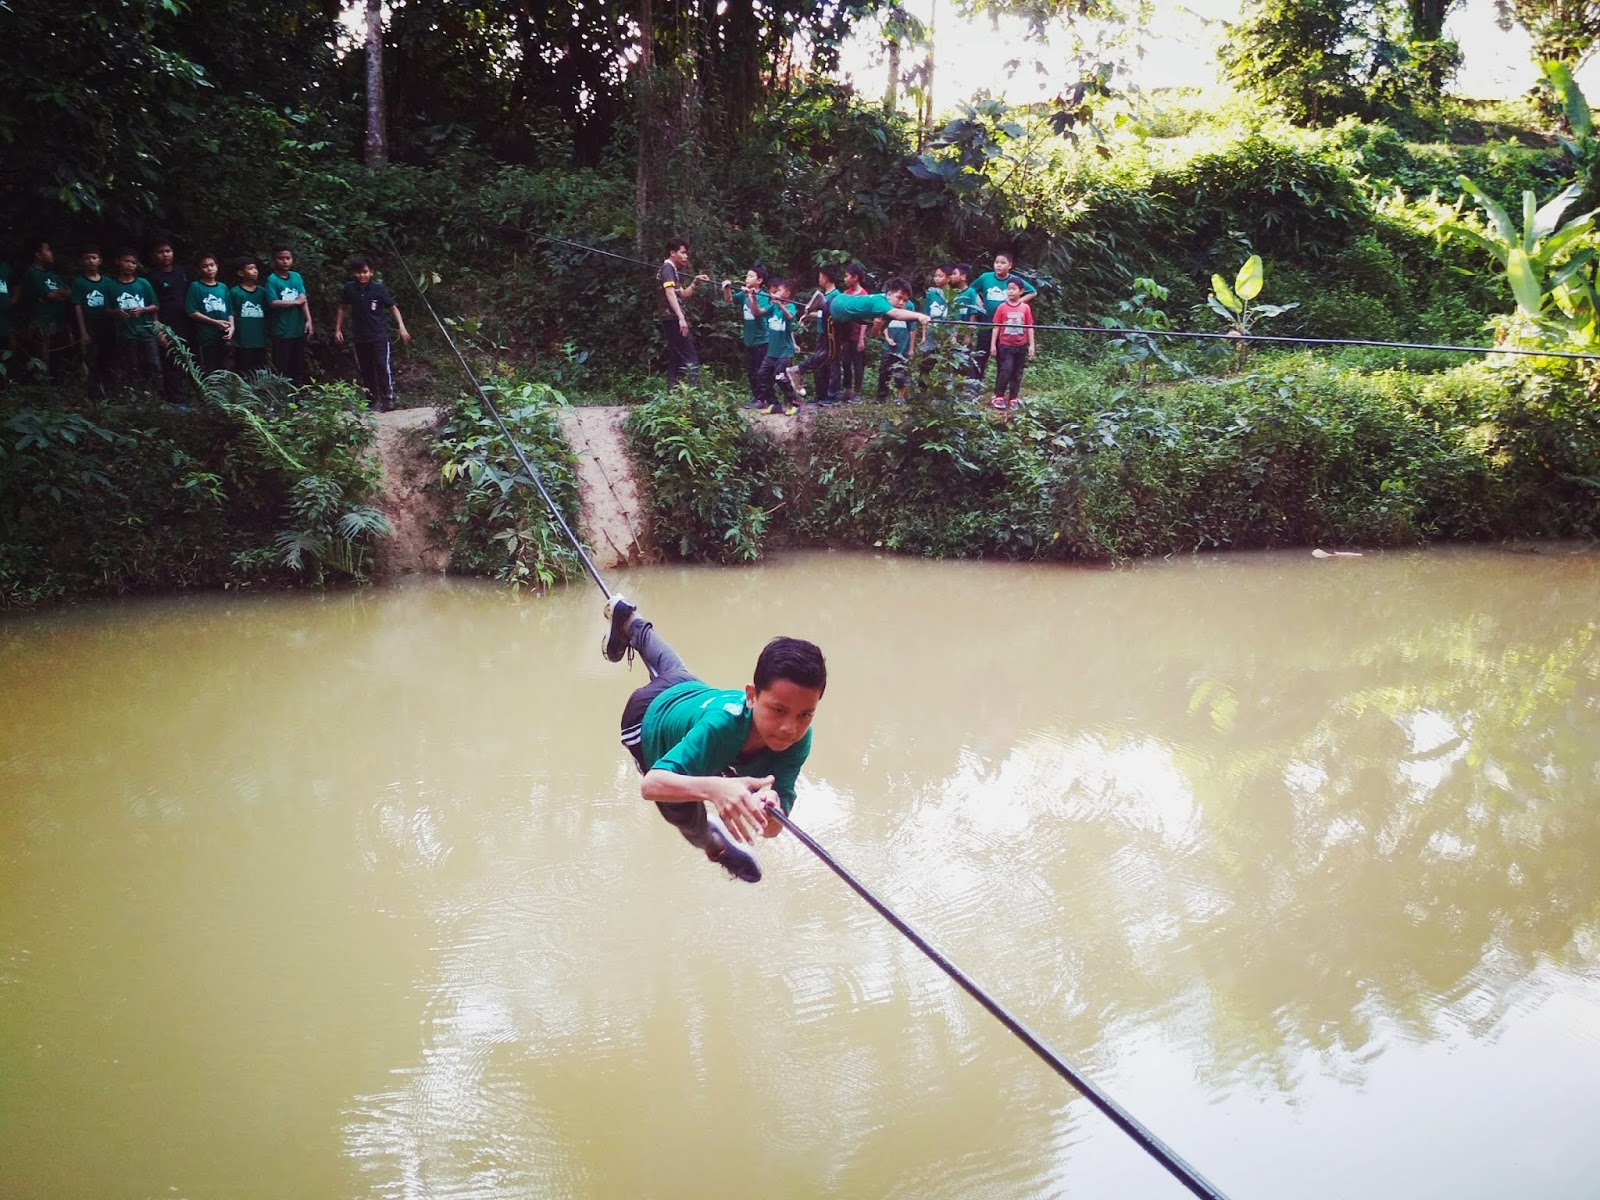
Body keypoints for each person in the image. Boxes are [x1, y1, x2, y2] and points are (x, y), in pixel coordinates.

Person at [602, 594, 827, 885]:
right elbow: (652, 785)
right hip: (646, 721)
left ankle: (631, 622)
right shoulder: (722, 728)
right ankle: (715, 847)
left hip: (689, 689)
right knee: (687, 818)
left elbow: (773, 830)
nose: (789, 728)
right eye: (779, 710)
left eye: (805, 715)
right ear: (751, 696)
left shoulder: (799, 740)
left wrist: (771, 808)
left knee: (669, 665)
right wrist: (714, 789)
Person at [335, 256, 411, 411]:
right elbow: (342, 307)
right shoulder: (349, 288)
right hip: (360, 336)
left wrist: (402, 327)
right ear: (353, 273)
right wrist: (338, 329)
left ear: (371, 272)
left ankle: (388, 399)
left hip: (379, 335)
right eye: (358, 272)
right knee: (366, 369)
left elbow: (393, 307)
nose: (362, 275)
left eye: (365, 272)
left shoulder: (379, 288)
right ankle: (371, 400)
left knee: (383, 366)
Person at [823, 278, 932, 369]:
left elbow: (874, 334)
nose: (901, 303)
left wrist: (878, 325)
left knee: (835, 357)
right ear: (889, 294)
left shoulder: (887, 313)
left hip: (846, 318)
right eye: (899, 298)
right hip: (835, 308)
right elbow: (897, 314)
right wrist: (919, 316)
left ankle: (818, 305)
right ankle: (804, 369)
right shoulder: (881, 302)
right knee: (828, 354)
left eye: (905, 300)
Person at [970, 253, 1037, 381]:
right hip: (986, 324)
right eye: (997, 262)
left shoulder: (1014, 281)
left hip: (1006, 330)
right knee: (980, 357)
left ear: (1010, 265)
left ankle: (999, 391)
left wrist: (1016, 304)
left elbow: (1033, 292)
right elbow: (971, 289)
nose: (999, 265)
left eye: (1002, 263)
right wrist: (978, 301)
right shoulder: (985, 278)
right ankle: (975, 386)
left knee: (1003, 361)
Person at [657, 238, 710, 387]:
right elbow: (670, 294)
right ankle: (695, 394)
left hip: (672, 317)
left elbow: (683, 294)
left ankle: (672, 392)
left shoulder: (672, 270)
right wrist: (681, 318)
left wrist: (695, 282)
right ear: (672, 253)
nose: (686, 256)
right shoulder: (667, 268)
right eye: (683, 252)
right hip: (672, 318)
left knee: (676, 356)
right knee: (690, 355)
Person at [108, 249, 161, 394]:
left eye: (133, 262)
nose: (130, 265)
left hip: (147, 331)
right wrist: (117, 312)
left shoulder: (143, 283)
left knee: (154, 364)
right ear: (118, 262)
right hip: (126, 331)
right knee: (132, 365)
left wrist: (143, 310)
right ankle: (135, 396)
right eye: (127, 261)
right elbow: (106, 309)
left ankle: (157, 396)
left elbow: (155, 305)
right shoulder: (111, 285)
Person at [20, 239, 73, 382]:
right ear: (38, 254)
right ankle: (40, 391)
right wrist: (57, 295)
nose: (51, 253)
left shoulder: (53, 275)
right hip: (41, 323)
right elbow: (51, 295)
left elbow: (69, 293)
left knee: (59, 359)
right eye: (47, 250)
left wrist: (58, 294)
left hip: (58, 322)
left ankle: (57, 388)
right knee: (41, 360)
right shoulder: (33, 273)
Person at [72, 247, 118, 400]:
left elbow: (114, 304)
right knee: (92, 360)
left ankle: (110, 393)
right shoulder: (79, 282)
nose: (91, 261)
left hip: (108, 326)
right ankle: (95, 395)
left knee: (108, 360)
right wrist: (83, 332)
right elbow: (77, 306)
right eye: (87, 258)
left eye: (94, 257)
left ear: (100, 260)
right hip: (90, 325)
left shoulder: (108, 282)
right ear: (81, 262)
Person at [750, 277, 800, 417]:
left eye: (779, 290)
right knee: (762, 375)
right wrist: (753, 298)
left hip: (785, 352)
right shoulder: (772, 307)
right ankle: (774, 403)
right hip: (771, 352)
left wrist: (780, 304)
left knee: (781, 377)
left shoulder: (791, 306)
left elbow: (790, 317)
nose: (776, 292)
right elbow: (757, 312)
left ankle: (795, 403)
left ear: (787, 293)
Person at [795, 263, 845, 405]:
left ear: (826, 277)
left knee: (833, 365)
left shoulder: (837, 296)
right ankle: (821, 395)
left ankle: (833, 396)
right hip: (822, 333)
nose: (819, 278)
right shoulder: (824, 296)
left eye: (820, 275)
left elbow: (834, 315)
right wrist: (809, 316)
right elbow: (823, 314)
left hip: (832, 336)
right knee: (819, 364)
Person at [722, 264, 770, 406]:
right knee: (751, 371)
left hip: (762, 340)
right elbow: (729, 299)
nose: (747, 278)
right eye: (747, 275)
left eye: (750, 276)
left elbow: (757, 312)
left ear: (759, 280)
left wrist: (751, 296)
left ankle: (763, 398)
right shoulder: (743, 294)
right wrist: (727, 288)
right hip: (749, 340)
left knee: (760, 371)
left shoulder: (764, 297)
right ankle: (756, 397)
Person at [148, 240, 191, 402]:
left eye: (168, 251)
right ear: (154, 255)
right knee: (170, 361)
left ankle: (188, 395)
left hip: (186, 323)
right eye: (160, 252)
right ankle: (175, 400)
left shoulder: (181, 271)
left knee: (186, 360)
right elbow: (154, 304)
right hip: (166, 324)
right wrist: (158, 329)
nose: (165, 255)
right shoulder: (153, 277)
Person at [266, 244, 312, 384]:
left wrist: (308, 320)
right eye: (281, 258)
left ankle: (297, 397)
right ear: (275, 260)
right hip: (282, 331)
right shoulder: (272, 279)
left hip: (298, 329)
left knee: (298, 365)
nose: (285, 261)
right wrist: (295, 303)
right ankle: (281, 396)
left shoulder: (297, 277)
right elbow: (273, 302)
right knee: (281, 366)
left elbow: (303, 299)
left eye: (288, 258)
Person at [989, 278, 1035, 412]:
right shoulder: (1002, 307)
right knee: (1006, 370)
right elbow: (996, 327)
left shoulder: (1025, 308)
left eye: (1014, 289)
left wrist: (1032, 345)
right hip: (1005, 344)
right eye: (1008, 288)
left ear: (1021, 291)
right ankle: (999, 396)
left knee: (1017, 372)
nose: (1010, 291)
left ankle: (1013, 398)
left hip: (1021, 345)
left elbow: (1029, 327)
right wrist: (993, 345)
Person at [186, 254, 233, 375]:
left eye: (212, 265)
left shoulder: (223, 287)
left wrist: (232, 327)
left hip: (224, 335)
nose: (209, 268)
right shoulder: (196, 287)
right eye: (205, 266)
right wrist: (215, 322)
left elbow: (229, 311)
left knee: (226, 367)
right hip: (206, 335)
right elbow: (192, 312)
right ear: (200, 269)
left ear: (217, 266)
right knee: (210, 368)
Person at [229, 257, 269, 376]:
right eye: (250, 268)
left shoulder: (263, 292)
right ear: (241, 273)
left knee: (259, 373)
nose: (255, 271)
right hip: (243, 341)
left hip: (260, 340)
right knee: (243, 372)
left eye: (255, 268)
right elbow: (231, 313)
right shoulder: (235, 292)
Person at [876, 292, 917, 403]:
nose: (901, 302)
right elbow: (884, 323)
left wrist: (911, 348)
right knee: (884, 370)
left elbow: (913, 328)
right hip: (888, 345)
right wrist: (887, 337)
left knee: (901, 372)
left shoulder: (910, 306)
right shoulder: (889, 304)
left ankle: (900, 398)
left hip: (903, 345)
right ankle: (881, 397)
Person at [840, 262, 871, 404]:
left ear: (855, 277)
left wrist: (862, 338)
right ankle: (848, 390)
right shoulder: (846, 294)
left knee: (858, 364)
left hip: (858, 335)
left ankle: (858, 392)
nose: (845, 279)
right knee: (845, 363)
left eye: (847, 276)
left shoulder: (864, 295)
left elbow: (865, 319)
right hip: (846, 335)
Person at [0, 256, 12, 385]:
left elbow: (17, 283)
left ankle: (3, 383)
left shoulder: (4, 267)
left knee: (4, 350)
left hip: (4, 320)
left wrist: (12, 301)